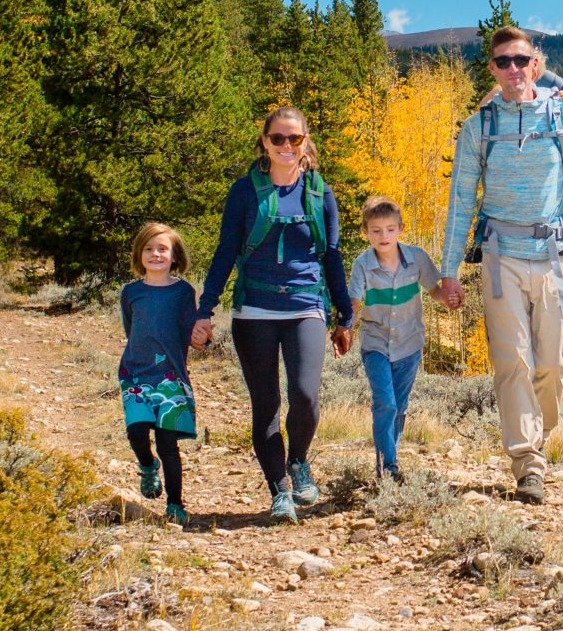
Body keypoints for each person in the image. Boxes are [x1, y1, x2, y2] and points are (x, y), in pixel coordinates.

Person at [438, 26, 563, 504]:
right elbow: (461, 201)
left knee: (551, 365)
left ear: (536, 65)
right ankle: (527, 463)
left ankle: (541, 434)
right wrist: (450, 270)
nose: (512, 69)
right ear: (492, 68)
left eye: (520, 60)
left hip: (554, 258)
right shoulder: (478, 128)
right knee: (512, 361)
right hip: (499, 259)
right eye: (502, 62)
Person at [192, 107, 354, 524]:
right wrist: (205, 309)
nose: (286, 146)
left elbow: (332, 257)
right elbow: (226, 251)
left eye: (294, 139)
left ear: (305, 143)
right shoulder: (245, 191)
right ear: (264, 141)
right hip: (254, 310)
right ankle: (279, 490)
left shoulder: (320, 192)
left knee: (305, 395)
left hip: (306, 306)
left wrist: (345, 316)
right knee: (265, 405)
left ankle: (298, 459)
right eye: (278, 139)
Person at [349, 195, 439, 480]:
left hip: (409, 345)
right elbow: (354, 302)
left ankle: (391, 455)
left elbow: (433, 288)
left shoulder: (417, 258)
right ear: (366, 233)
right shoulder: (362, 265)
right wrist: (344, 328)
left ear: (401, 228)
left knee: (399, 405)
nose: (383, 236)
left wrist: (449, 297)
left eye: (389, 229)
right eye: (376, 230)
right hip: (375, 343)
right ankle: (387, 466)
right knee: (384, 401)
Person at [118, 221, 197, 526]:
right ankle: (147, 465)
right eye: (148, 249)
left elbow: (189, 329)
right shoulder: (131, 292)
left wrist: (201, 337)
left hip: (171, 377)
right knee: (136, 430)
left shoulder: (182, 291)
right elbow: (131, 330)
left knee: (168, 443)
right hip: (136, 373)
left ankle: (175, 504)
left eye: (162, 249)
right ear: (139, 255)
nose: (155, 254)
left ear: (175, 256)